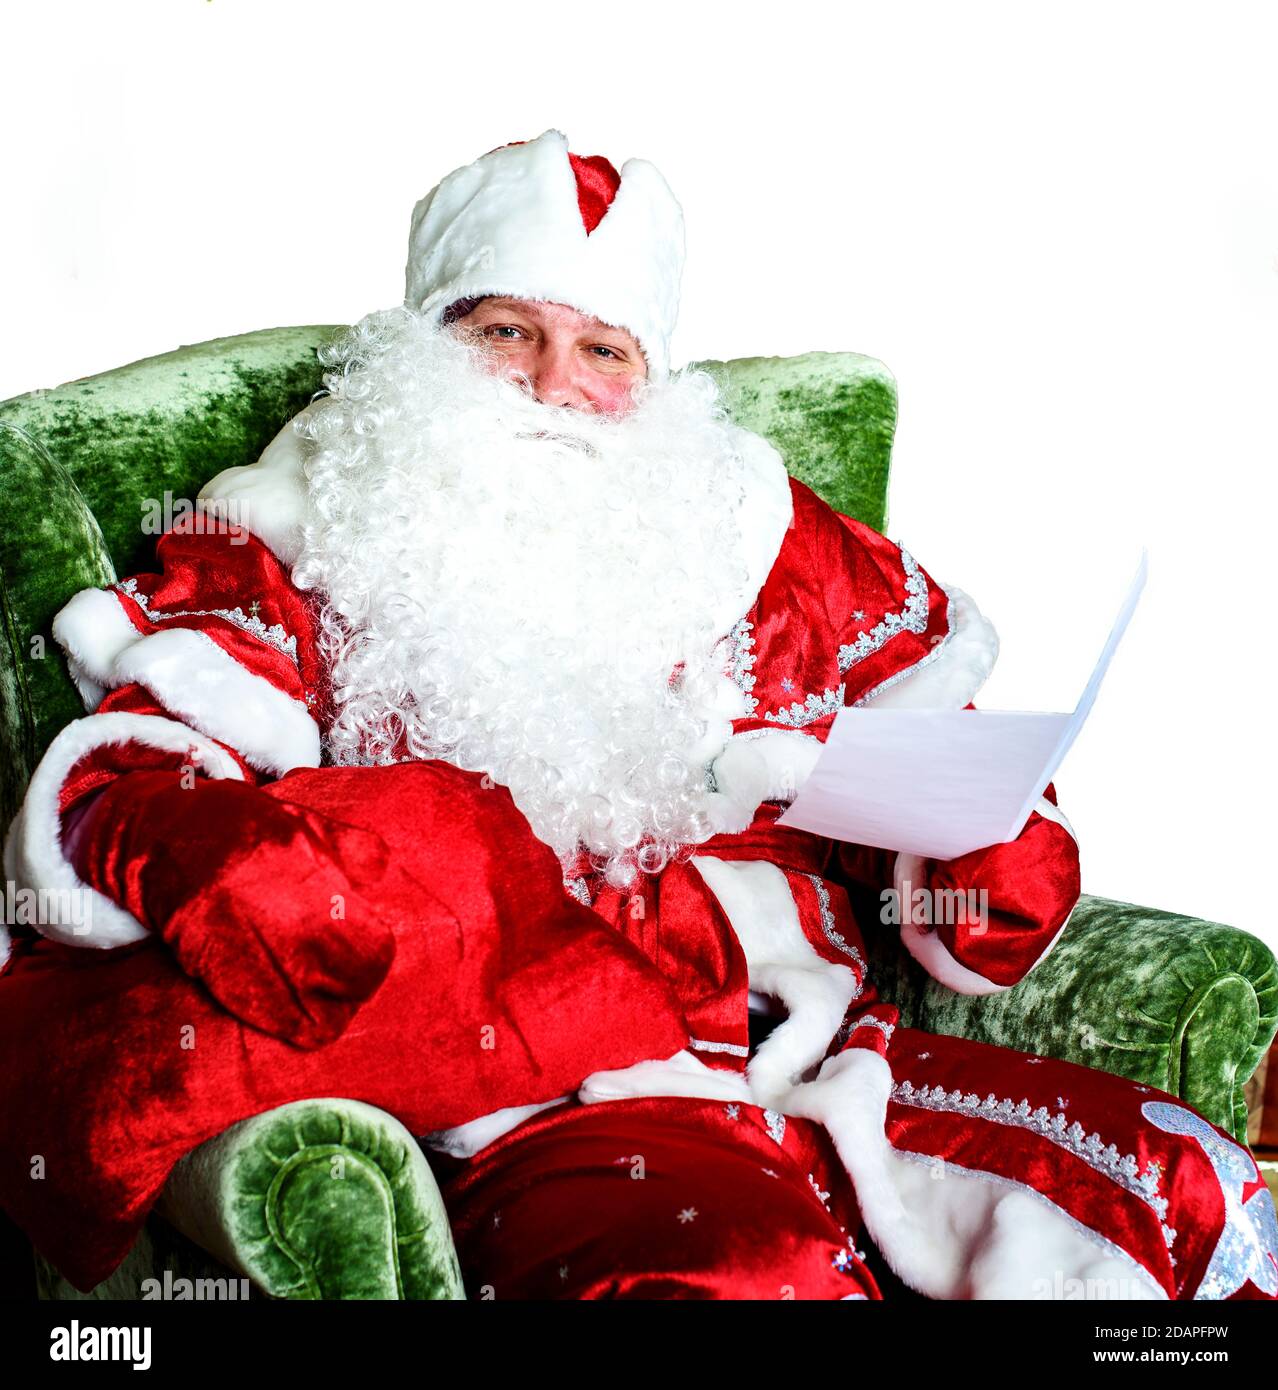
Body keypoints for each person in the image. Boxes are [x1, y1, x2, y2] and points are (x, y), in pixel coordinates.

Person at [3, 130, 1275, 1301]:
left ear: (653, 378)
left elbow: (996, 857)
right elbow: (150, 761)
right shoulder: (307, 516)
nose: (558, 385)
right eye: (505, 331)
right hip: (545, 1092)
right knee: (742, 1271)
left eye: (605, 350)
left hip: (825, 1055)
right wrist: (237, 857)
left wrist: (987, 848)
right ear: (418, 350)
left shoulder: (758, 530)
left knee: (1196, 1195)